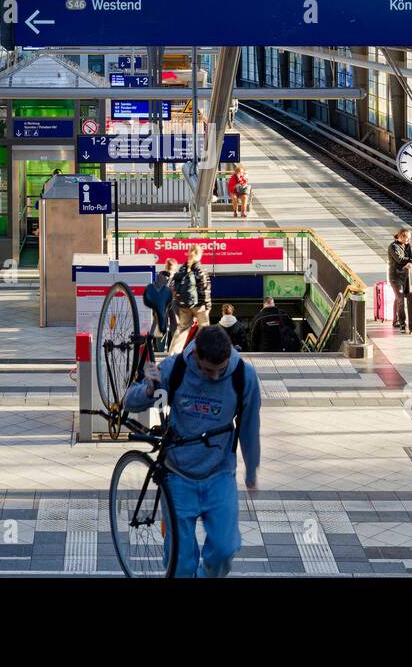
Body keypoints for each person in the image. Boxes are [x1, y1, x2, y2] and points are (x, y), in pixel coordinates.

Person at [124, 324, 261, 579]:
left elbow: (250, 426)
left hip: (219, 474)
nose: (215, 377)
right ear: (196, 355)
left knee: (225, 548)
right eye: (209, 370)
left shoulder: (244, 376)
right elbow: (129, 401)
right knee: (180, 565)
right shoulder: (174, 367)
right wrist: (149, 389)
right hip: (177, 476)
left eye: (221, 370)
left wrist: (251, 469)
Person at [168, 245, 211, 352]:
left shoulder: (182, 268)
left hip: (184, 305)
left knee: (182, 329)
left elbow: (176, 286)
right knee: (204, 330)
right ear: (199, 254)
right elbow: (205, 289)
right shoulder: (200, 269)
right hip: (199, 305)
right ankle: (205, 353)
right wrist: (207, 305)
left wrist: (179, 302)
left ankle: (173, 354)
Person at [387, 227, 412, 334]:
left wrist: (411, 261)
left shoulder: (407, 246)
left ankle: (395, 321)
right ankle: (402, 323)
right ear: (401, 236)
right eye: (407, 238)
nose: (409, 240)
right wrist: (410, 261)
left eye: (409, 238)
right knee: (400, 299)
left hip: (405, 277)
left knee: (398, 298)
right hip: (395, 277)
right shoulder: (393, 246)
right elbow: (399, 259)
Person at [143, 259, 177, 350]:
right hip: (169, 307)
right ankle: (166, 349)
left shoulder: (160, 276)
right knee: (171, 327)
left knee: (159, 327)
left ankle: (159, 347)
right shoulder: (172, 278)